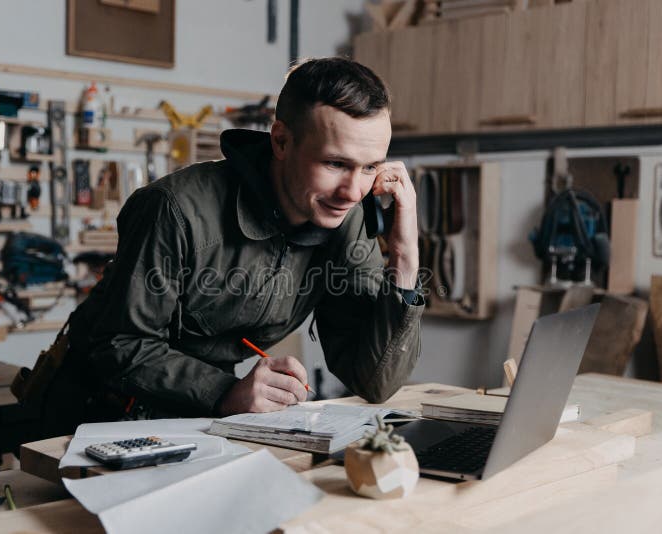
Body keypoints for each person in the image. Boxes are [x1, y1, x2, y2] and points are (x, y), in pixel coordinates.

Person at [41, 57, 424, 434]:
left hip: (198, 417)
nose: (353, 191)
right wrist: (225, 391)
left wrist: (405, 259)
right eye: (335, 164)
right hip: (92, 417)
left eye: (371, 167)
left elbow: (375, 382)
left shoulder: (347, 219)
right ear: (281, 141)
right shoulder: (173, 210)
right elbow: (119, 343)